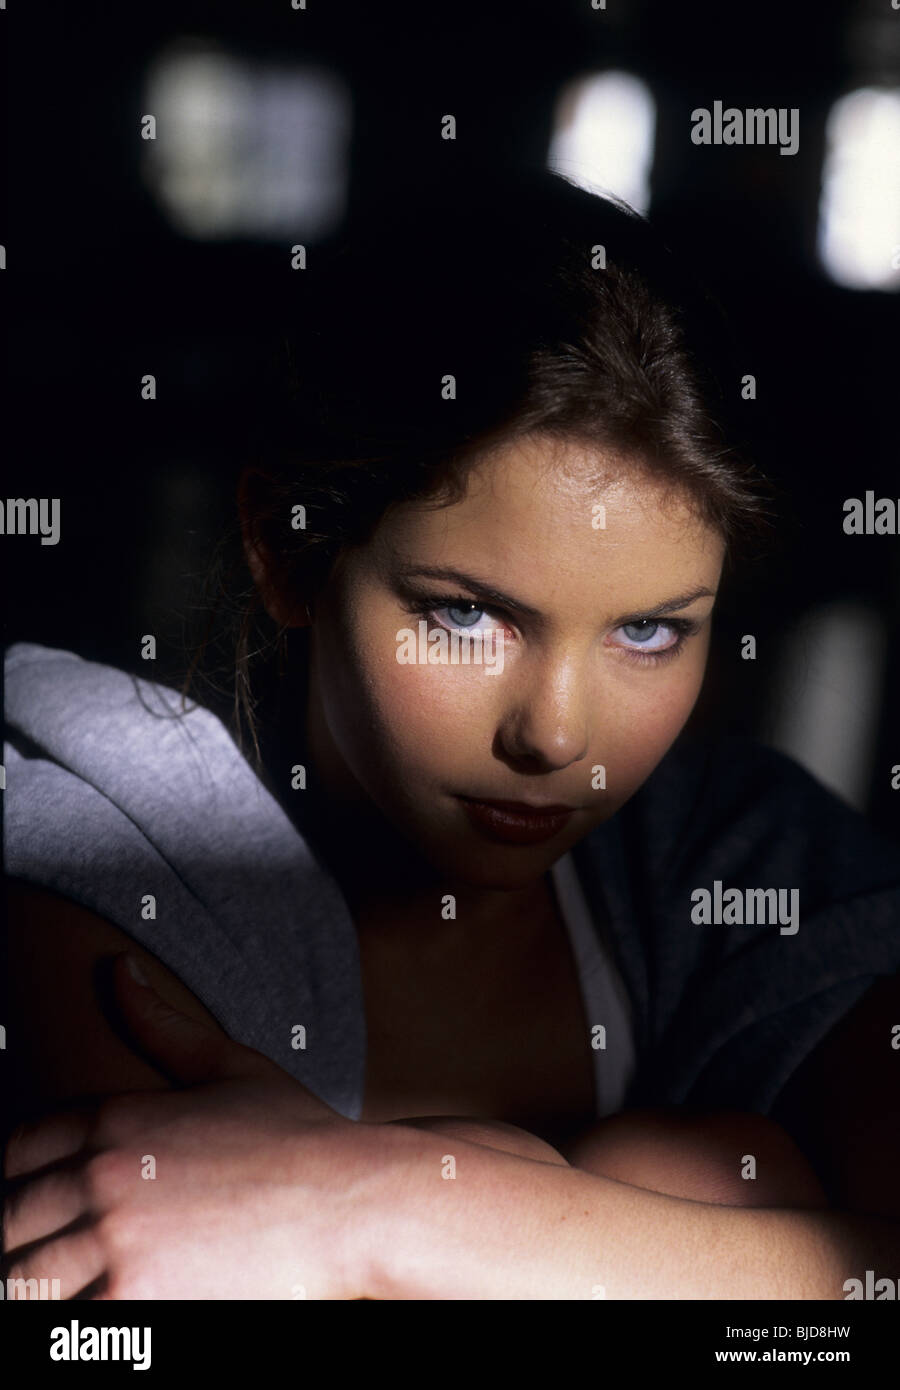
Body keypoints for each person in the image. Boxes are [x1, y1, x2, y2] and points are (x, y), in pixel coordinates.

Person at [3, 168, 899, 1300]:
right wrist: (686, 1237)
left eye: (649, 631)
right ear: (285, 550)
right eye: (466, 616)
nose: (557, 735)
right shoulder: (105, 850)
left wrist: (394, 1207)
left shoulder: (743, 863)